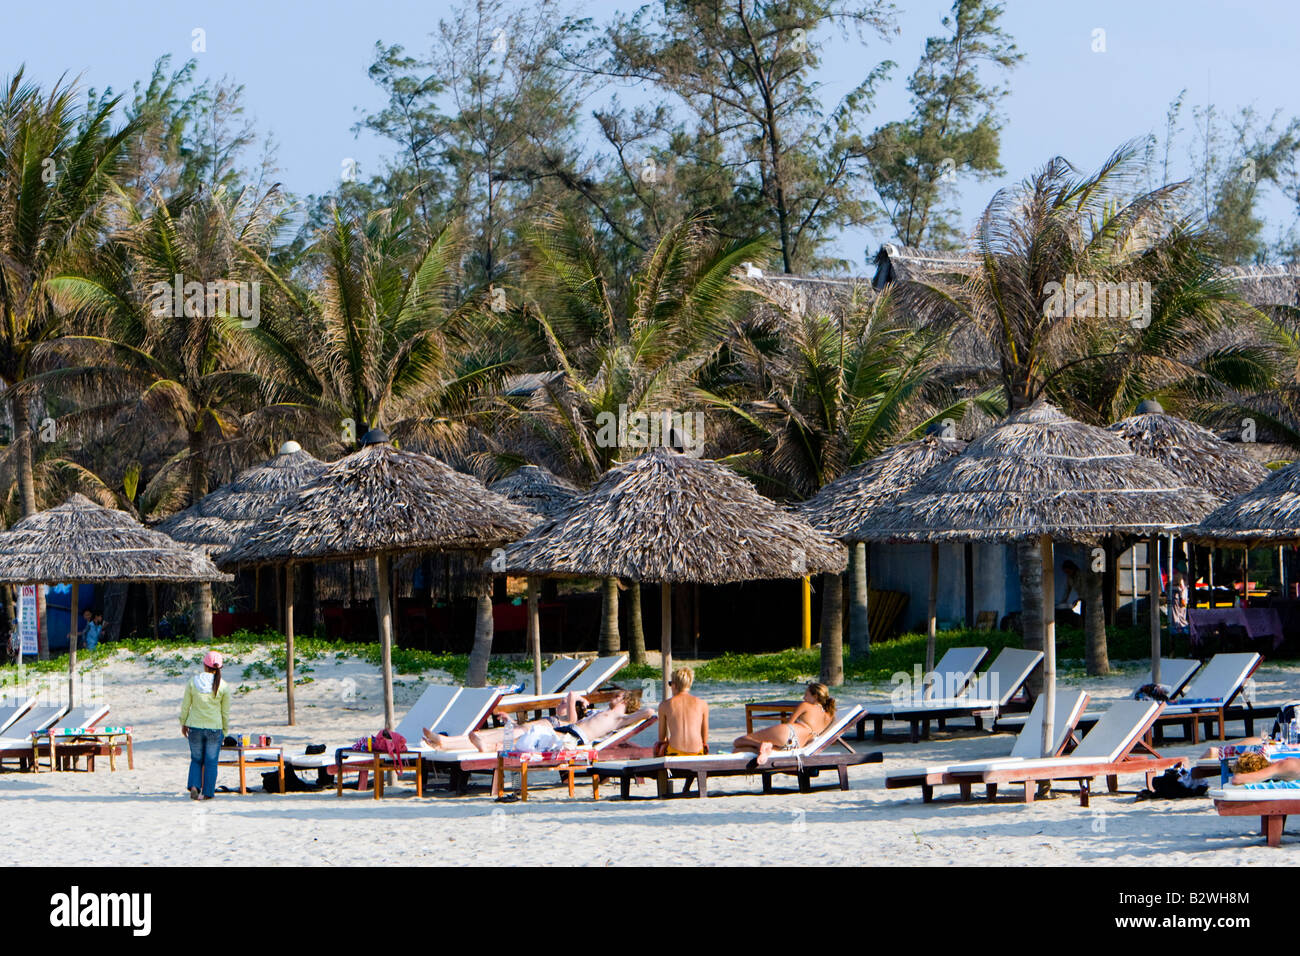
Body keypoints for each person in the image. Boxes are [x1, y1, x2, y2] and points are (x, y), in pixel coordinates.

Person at [422, 689, 652, 753]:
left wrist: (635, 713)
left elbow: (648, 712)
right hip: (567, 732)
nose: (614, 696)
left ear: (626, 700)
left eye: (618, 695)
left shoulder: (621, 718)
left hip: (572, 740)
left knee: (519, 733)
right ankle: (445, 742)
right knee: (517, 732)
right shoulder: (601, 711)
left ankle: (470, 744)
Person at [732, 682, 835, 766]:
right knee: (737, 750)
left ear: (815, 696)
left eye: (806, 695)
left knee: (739, 741)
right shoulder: (829, 716)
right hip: (796, 745)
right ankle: (764, 748)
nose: (804, 698)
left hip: (789, 732)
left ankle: (760, 745)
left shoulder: (806, 705)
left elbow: (789, 723)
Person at [179, 651, 230, 799]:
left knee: (196, 759)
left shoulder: (193, 682)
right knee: (211, 762)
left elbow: (185, 706)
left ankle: (195, 786)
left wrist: (183, 723)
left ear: (204, 665)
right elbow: (225, 712)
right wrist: (225, 731)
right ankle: (207, 792)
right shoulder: (223, 686)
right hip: (215, 728)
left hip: (194, 727)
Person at [655, 666, 709, 756]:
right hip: (697, 752)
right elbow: (704, 739)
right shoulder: (702, 704)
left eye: (670, 683)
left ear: (674, 685)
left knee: (657, 747)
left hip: (675, 752)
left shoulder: (664, 705)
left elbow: (661, 738)